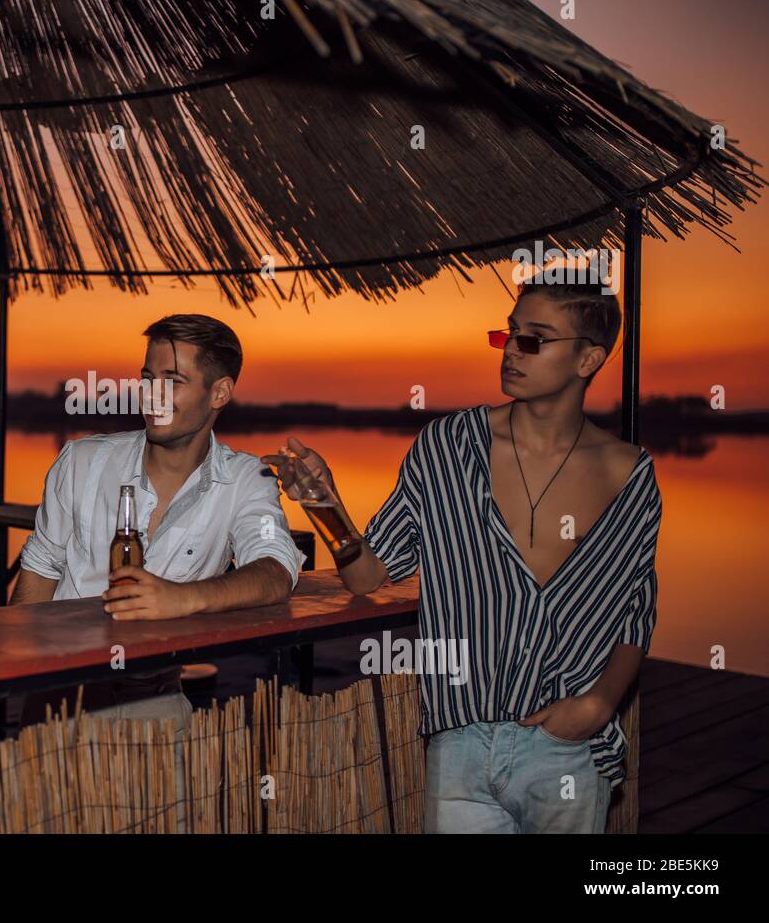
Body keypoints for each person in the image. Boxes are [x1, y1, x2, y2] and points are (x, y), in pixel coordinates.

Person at [265, 282, 660, 834]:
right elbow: (368, 575)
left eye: (533, 340)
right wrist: (323, 503)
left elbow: (636, 609)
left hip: (568, 747)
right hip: (461, 739)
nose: (511, 350)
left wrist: (599, 705)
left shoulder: (628, 472)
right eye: (508, 334)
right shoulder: (448, 447)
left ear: (589, 357)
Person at [7, 314, 306, 825]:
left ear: (220, 392)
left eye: (173, 380)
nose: (153, 395)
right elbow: (36, 575)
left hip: (155, 704)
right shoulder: (81, 461)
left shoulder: (246, 480)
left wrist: (182, 598)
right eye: (147, 378)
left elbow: (276, 568)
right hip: (53, 708)